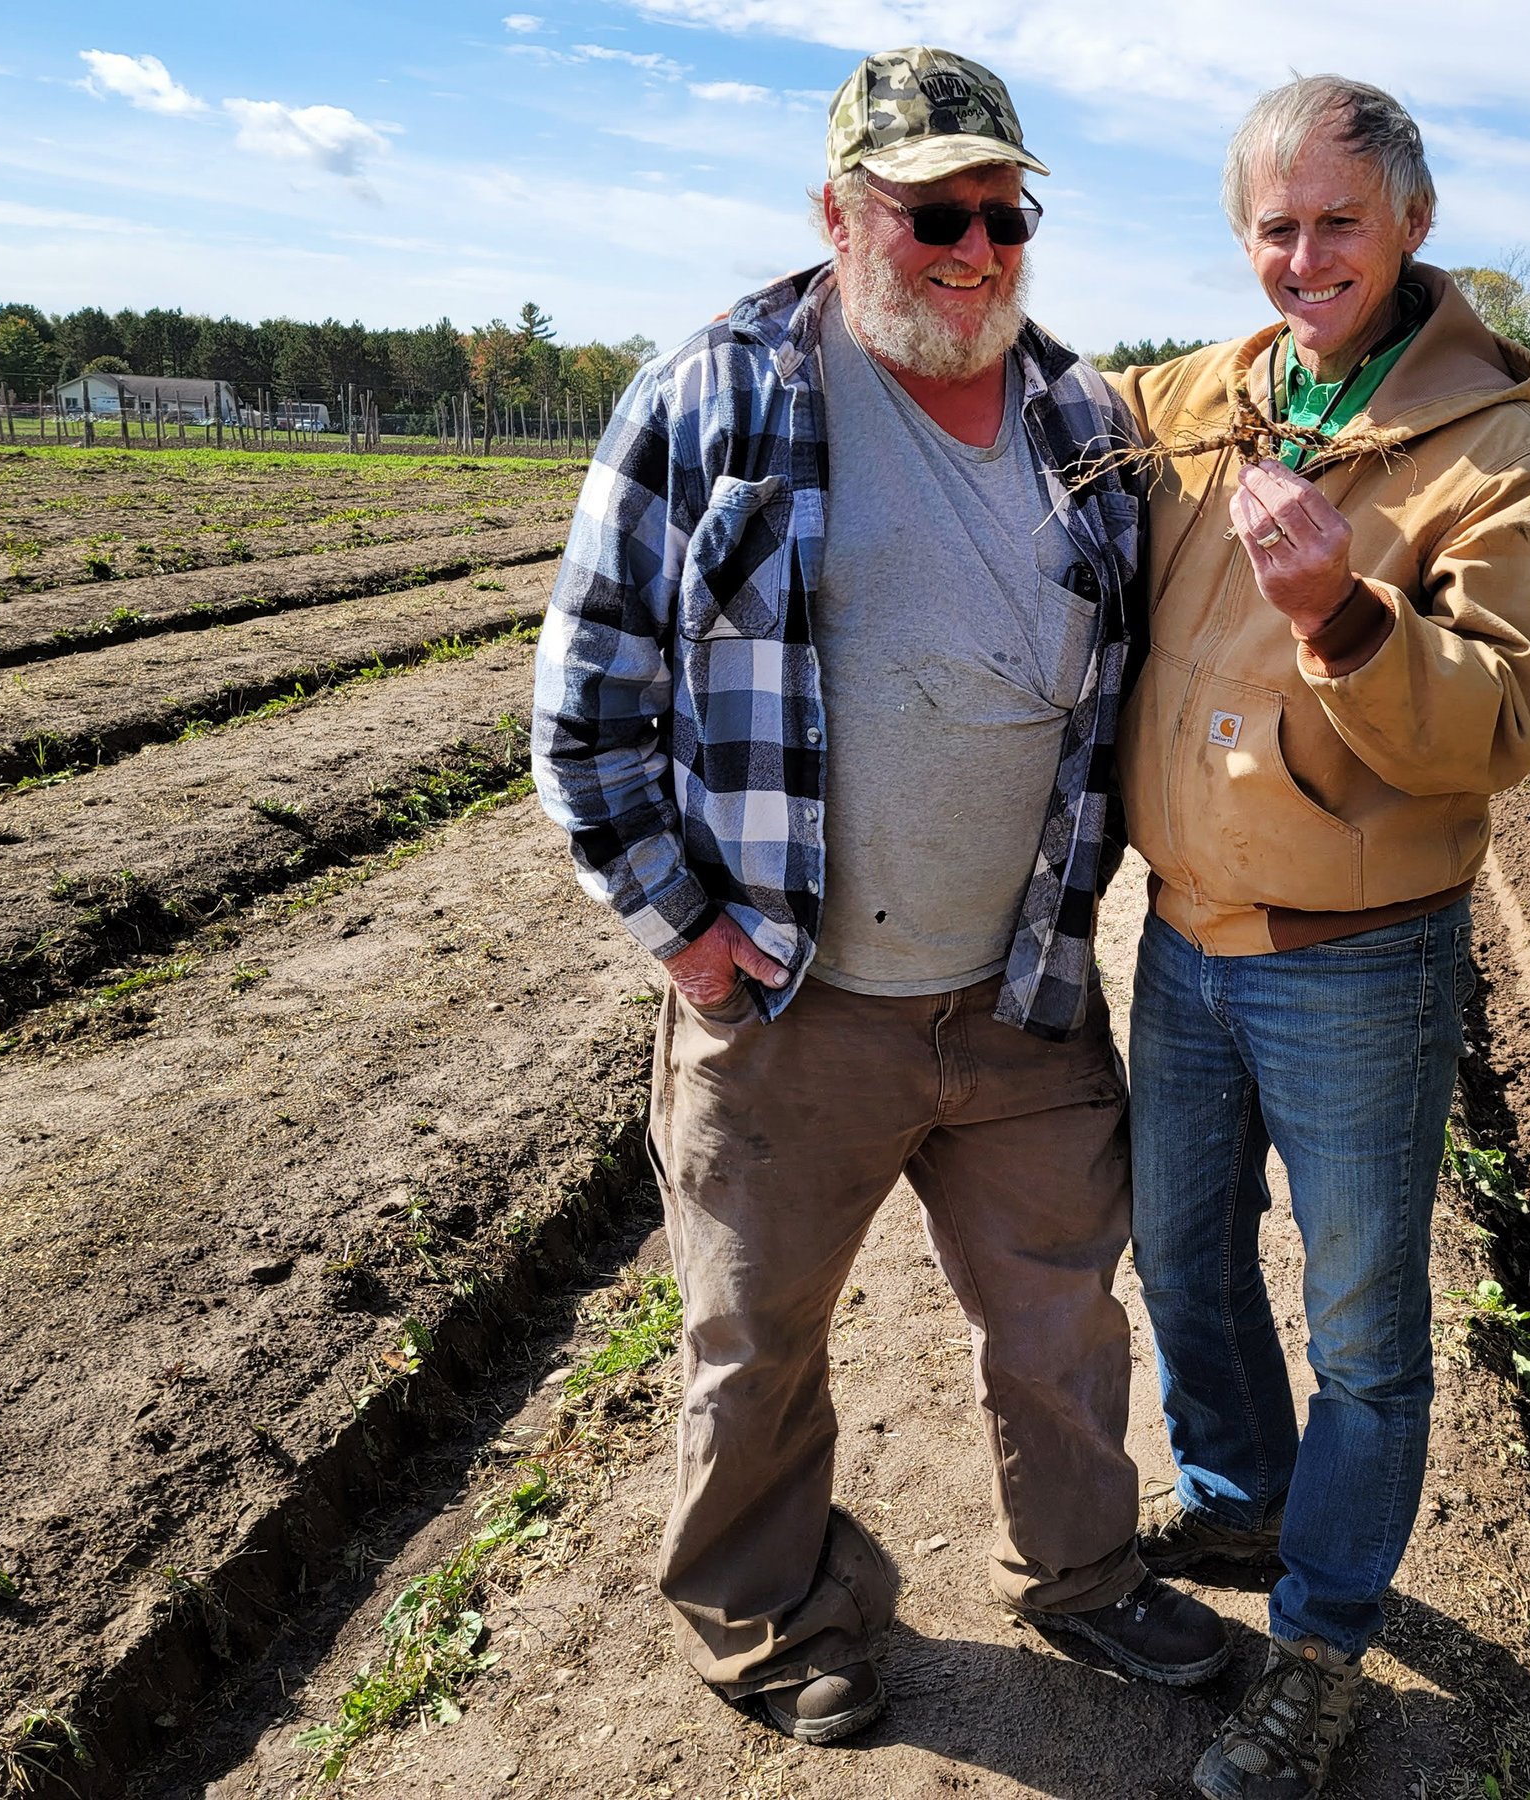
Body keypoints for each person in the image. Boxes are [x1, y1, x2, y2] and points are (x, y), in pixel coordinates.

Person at [529, 44, 1226, 1747]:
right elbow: (584, 707)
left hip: (1017, 998)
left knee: (1062, 1320)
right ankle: (771, 1620)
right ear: (843, 212)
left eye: (1005, 214)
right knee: (751, 1343)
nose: (977, 252)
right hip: (786, 1001)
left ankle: (1078, 1574)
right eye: (936, 216)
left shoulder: (1077, 418)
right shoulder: (716, 394)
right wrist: (689, 937)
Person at [1104, 75, 1530, 1799]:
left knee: (1368, 1324)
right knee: (1181, 1249)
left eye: (1340, 223)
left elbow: (1504, 725)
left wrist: (1341, 610)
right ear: (1244, 241)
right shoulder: (1209, 398)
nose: (1306, 257)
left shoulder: (1496, 453)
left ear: (1413, 227)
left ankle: (1320, 1646)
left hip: (1358, 961)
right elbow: (1030, 400)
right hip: (1183, 934)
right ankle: (1237, 1502)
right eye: (1276, 227)